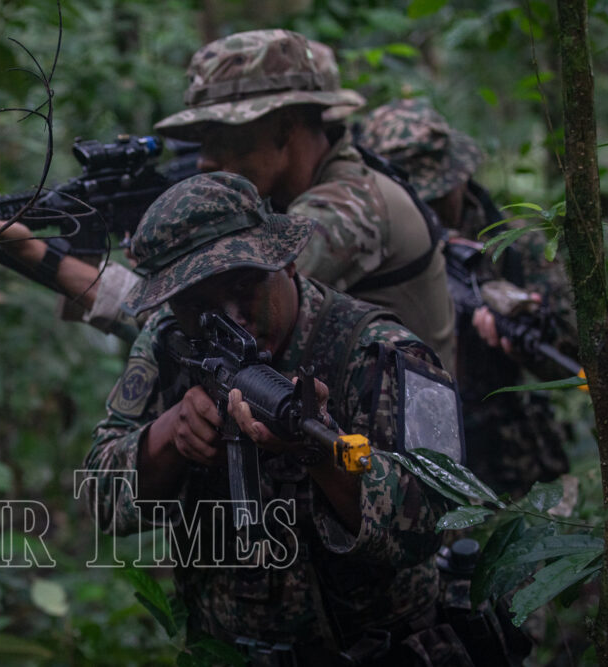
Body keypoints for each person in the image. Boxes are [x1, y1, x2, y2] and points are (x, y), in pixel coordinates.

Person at [83, 170, 475, 666]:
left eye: (244, 285)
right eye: (200, 305)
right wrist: (170, 436)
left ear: (286, 263)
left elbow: (440, 518)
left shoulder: (382, 353)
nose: (233, 318)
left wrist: (323, 456)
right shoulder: (169, 341)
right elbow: (98, 494)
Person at [0, 32, 457, 374]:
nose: (206, 160)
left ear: (286, 129)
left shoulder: (345, 211)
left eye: (225, 138)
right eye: (202, 139)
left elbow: (205, 319)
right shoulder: (286, 196)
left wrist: (34, 255)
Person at [357, 98, 576, 496]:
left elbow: (571, 359)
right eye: (417, 200)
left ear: (460, 177)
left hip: (505, 456)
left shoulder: (513, 247)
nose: (430, 212)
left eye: (439, 197)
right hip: (401, 451)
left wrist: (520, 339)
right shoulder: (367, 252)